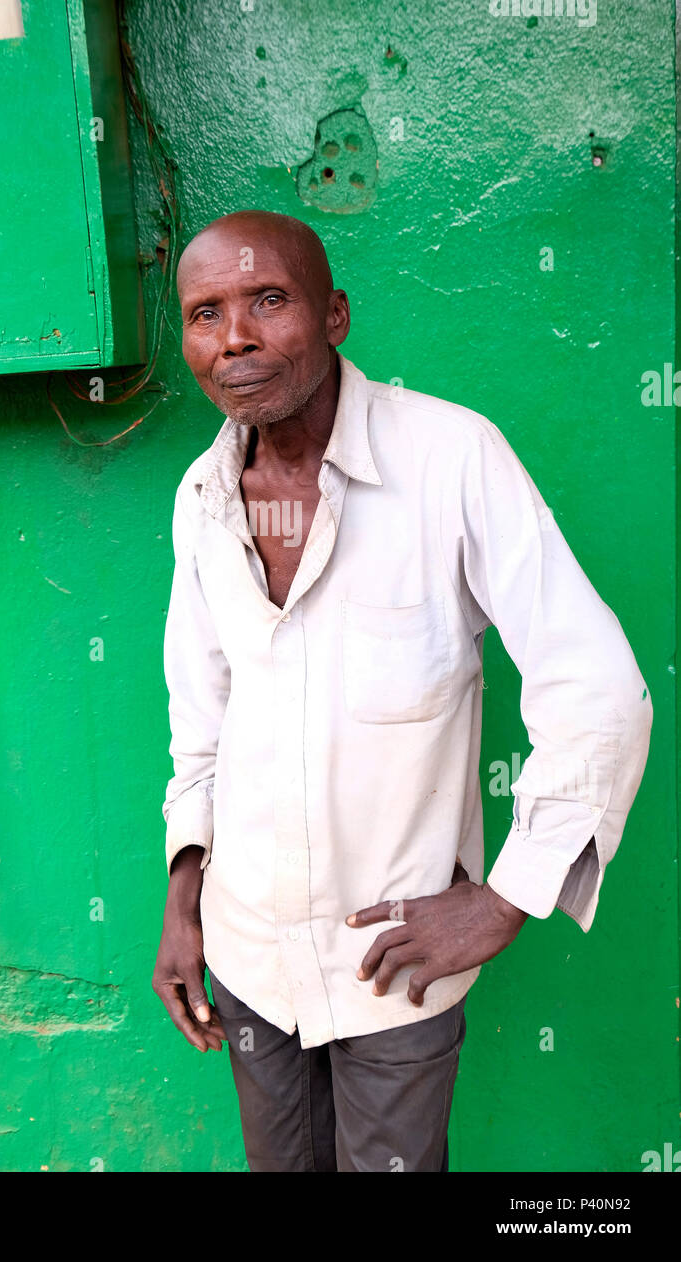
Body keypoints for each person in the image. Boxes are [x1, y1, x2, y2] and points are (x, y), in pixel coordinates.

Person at [152, 208, 653, 1172]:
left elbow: (598, 687)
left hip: (389, 970)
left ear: (335, 315)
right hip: (250, 951)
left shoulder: (451, 459)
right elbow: (202, 722)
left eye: (268, 301)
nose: (236, 337)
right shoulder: (201, 499)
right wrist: (185, 898)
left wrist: (508, 896)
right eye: (205, 313)